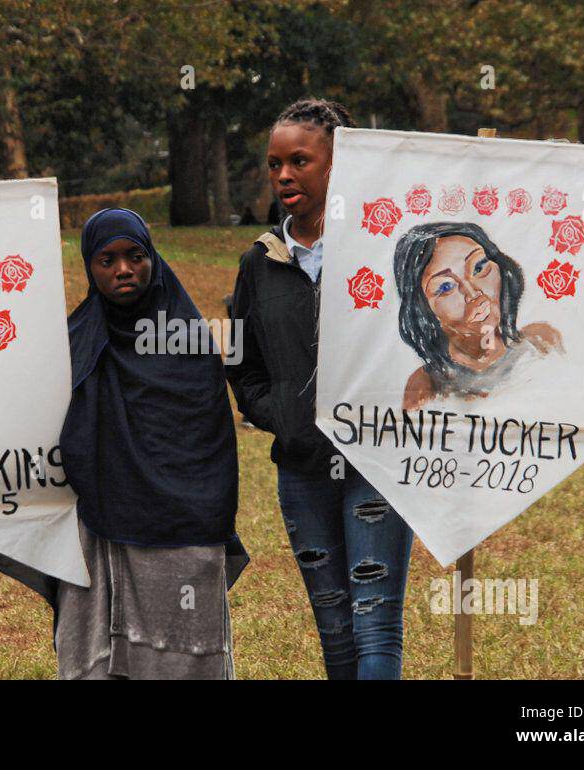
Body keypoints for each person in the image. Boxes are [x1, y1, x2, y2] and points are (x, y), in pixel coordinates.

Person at [0, 208, 247, 680]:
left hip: (180, 530)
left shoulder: (189, 343)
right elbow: (31, 424)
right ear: (89, 266)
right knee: (99, 657)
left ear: (153, 258)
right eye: (106, 260)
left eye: (135, 256)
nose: (123, 269)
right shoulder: (73, 343)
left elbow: (207, 449)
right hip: (97, 530)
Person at [227, 98, 413, 680]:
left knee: (375, 623)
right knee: (334, 632)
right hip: (302, 470)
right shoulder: (260, 261)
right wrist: (279, 413)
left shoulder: (385, 251)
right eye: (275, 163)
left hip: (377, 461)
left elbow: (419, 345)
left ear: (338, 164)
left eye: (300, 161)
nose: (284, 175)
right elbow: (240, 359)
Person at [394, 222, 563, 410]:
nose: (474, 293)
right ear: (422, 308)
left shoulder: (541, 344)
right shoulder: (426, 387)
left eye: (478, 267)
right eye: (445, 287)